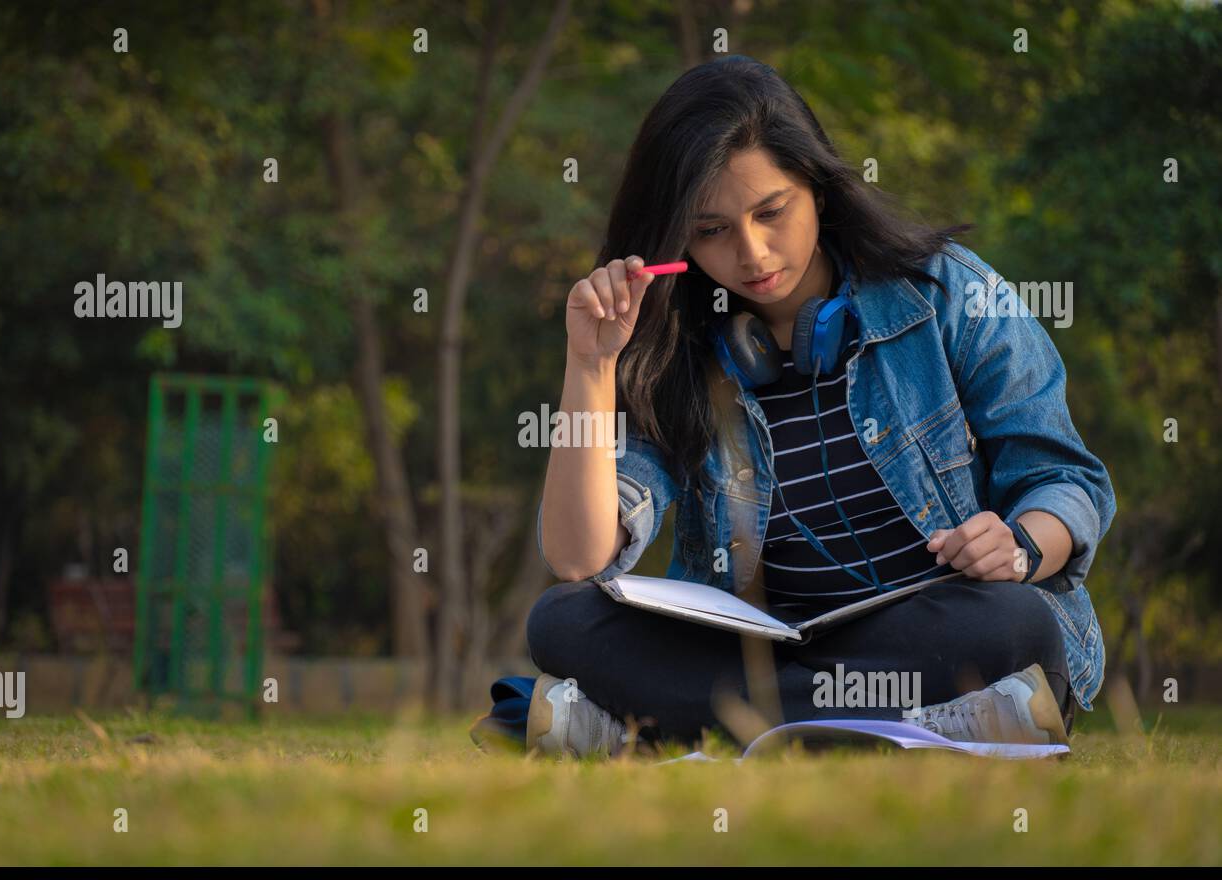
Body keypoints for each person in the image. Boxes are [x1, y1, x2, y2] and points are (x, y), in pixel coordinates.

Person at [473, 55, 1116, 759]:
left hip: (931, 626)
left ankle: (659, 732)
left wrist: (1020, 546)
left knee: (1016, 625)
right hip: (759, 644)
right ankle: (932, 726)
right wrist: (591, 363)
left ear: (818, 185)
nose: (751, 254)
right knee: (562, 622)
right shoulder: (671, 346)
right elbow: (578, 555)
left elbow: (1066, 479)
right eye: (711, 230)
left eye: (771, 211)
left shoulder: (947, 294)